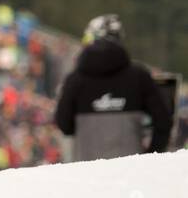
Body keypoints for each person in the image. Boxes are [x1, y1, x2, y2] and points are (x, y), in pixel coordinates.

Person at [55, 14, 172, 159]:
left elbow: (64, 124)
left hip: (86, 171)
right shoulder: (139, 77)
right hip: (131, 171)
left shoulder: (75, 80)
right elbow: (163, 122)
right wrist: (150, 157)